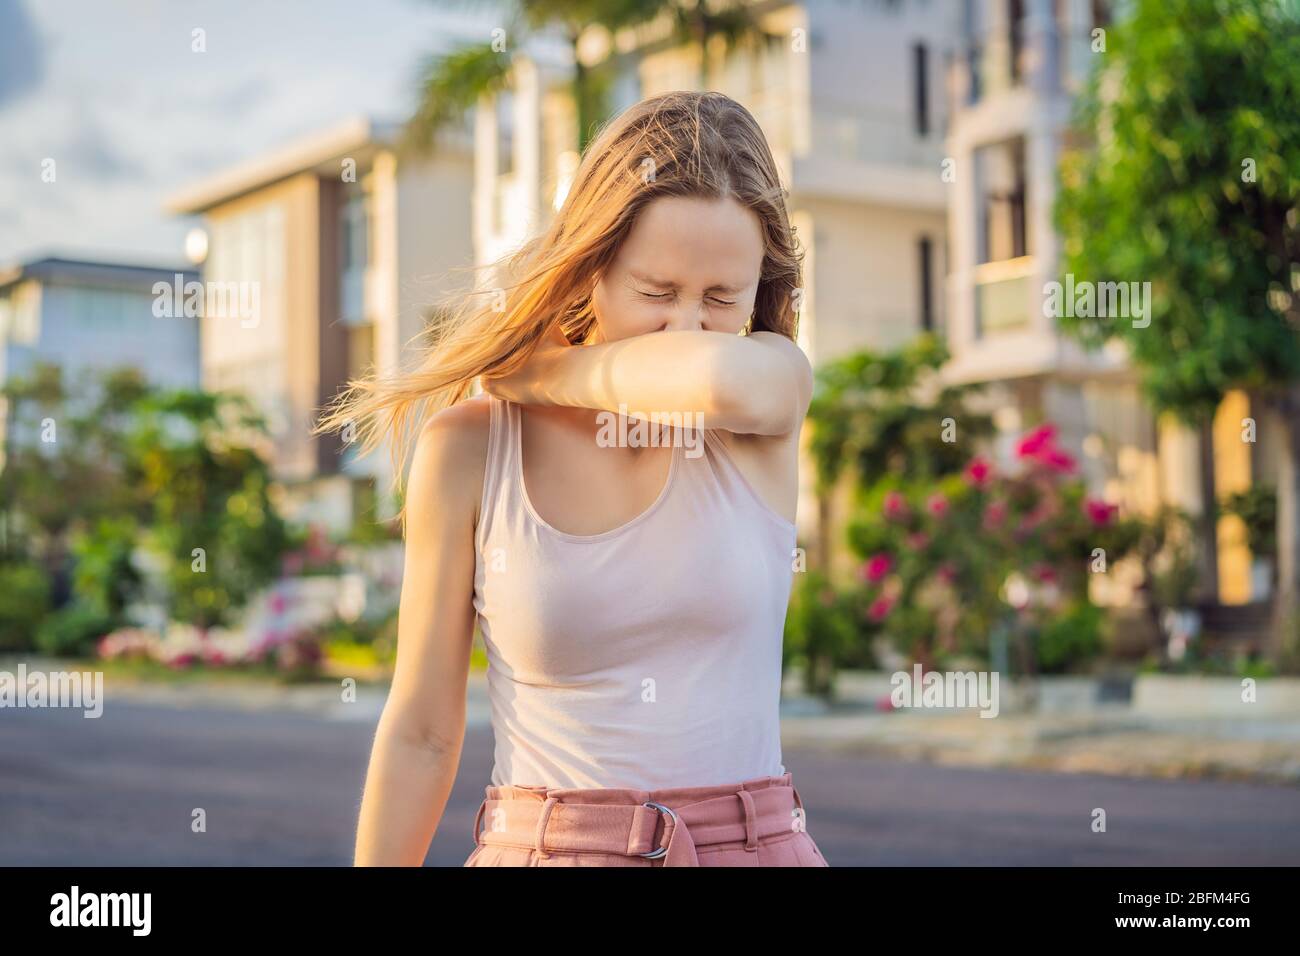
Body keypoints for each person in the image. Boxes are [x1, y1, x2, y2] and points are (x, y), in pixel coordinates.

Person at [325, 90, 827, 866]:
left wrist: (542, 369)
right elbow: (422, 732)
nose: (686, 328)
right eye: (656, 293)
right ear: (588, 268)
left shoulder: (767, 399)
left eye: (722, 298)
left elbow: (717, 381)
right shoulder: (471, 447)